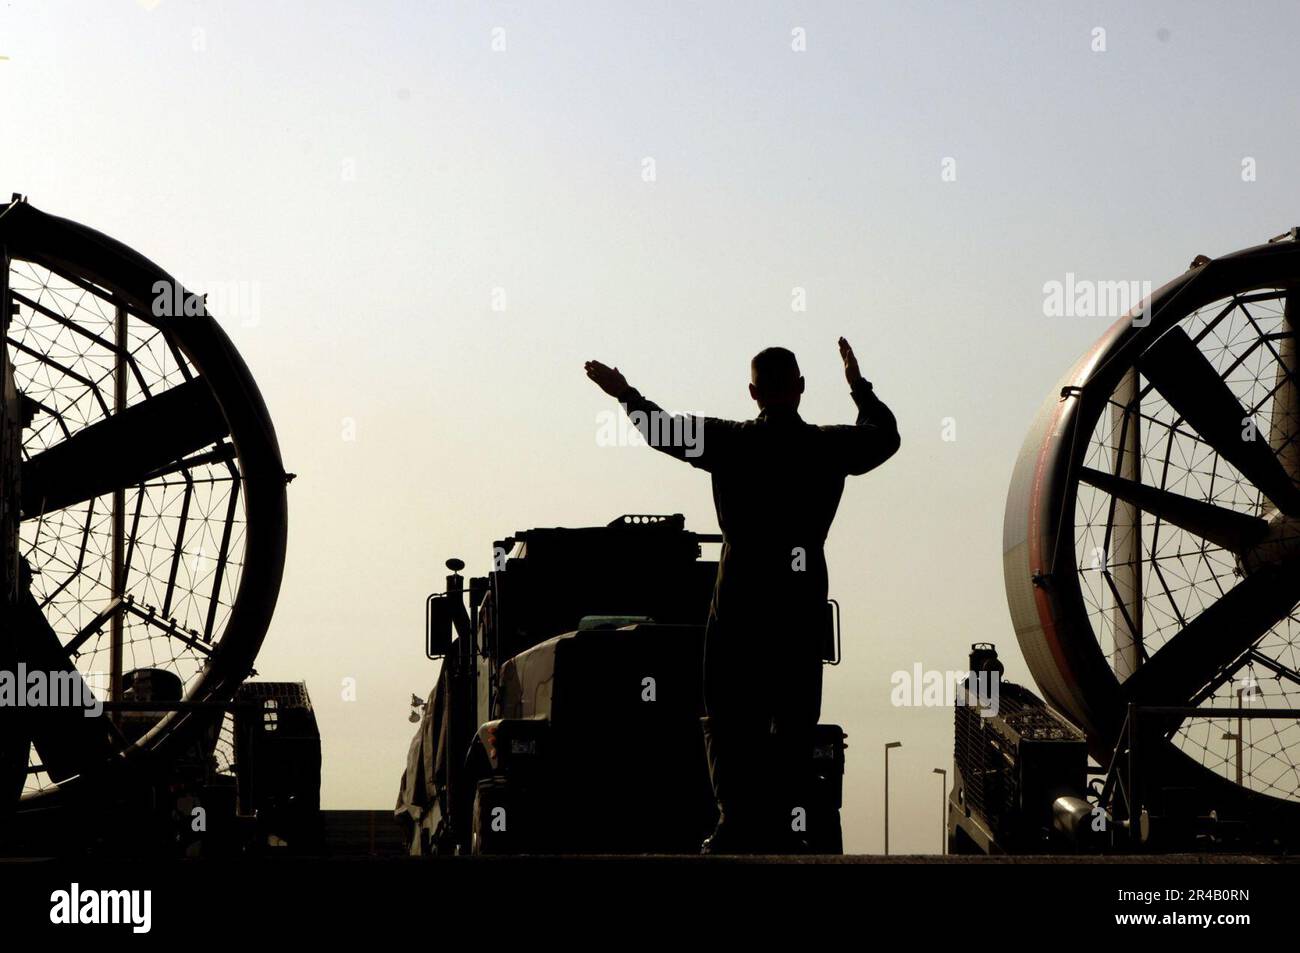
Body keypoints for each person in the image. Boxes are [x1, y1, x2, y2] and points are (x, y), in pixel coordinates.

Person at [584, 338, 900, 853]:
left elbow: (661, 430)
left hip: (741, 596)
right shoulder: (826, 446)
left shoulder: (730, 442)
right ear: (800, 388)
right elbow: (884, 436)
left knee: (729, 715)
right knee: (795, 718)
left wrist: (626, 394)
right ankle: (788, 823)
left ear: (752, 392)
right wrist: (858, 386)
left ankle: (734, 821)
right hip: (799, 597)